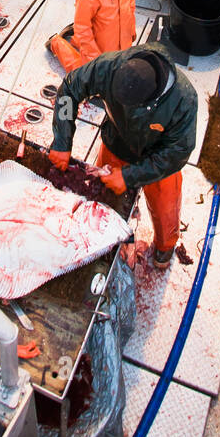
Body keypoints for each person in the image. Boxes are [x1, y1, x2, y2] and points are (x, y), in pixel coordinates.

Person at [49, 45, 197, 270]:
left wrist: (130, 176)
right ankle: (102, 239)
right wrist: (62, 140)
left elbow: (178, 153)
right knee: (101, 199)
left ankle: (165, 246)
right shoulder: (109, 66)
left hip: (158, 158)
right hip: (116, 140)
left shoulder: (184, 99)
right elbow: (70, 88)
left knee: (166, 206)